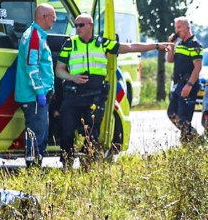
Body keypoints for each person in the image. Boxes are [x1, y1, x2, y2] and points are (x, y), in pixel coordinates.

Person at [55, 13, 166, 161]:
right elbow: (59, 70)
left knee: (92, 133)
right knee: (67, 130)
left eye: (81, 25)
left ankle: (89, 165)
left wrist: (156, 46)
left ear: (91, 26)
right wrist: (73, 78)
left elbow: (131, 47)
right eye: (76, 25)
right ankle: (66, 165)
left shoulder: (103, 43)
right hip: (73, 94)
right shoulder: (70, 44)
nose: (78, 28)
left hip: (95, 95)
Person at [15, 4, 58, 167]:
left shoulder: (37, 35)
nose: (54, 19)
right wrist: (40, 92)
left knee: (40, 132)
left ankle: (36, 163)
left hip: (36, 95)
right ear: (44, 16)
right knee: (36, 133)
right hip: (33, 96)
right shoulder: (34, 36)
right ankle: (33, 167)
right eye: (53, 16)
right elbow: (31, 66)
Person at [168, 16, 204, 144]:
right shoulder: (180, 44)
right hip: (178, 84)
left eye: (179, 28)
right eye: (175, 28)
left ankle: (188, 145)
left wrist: (189, 85)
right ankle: (195, 135)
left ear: (187, 28)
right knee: (171, 113)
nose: (177, 31)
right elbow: (170, 59)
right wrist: (171, 44)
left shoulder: (194, 45)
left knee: (184, 118)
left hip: (189, 84)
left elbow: (198, 67)